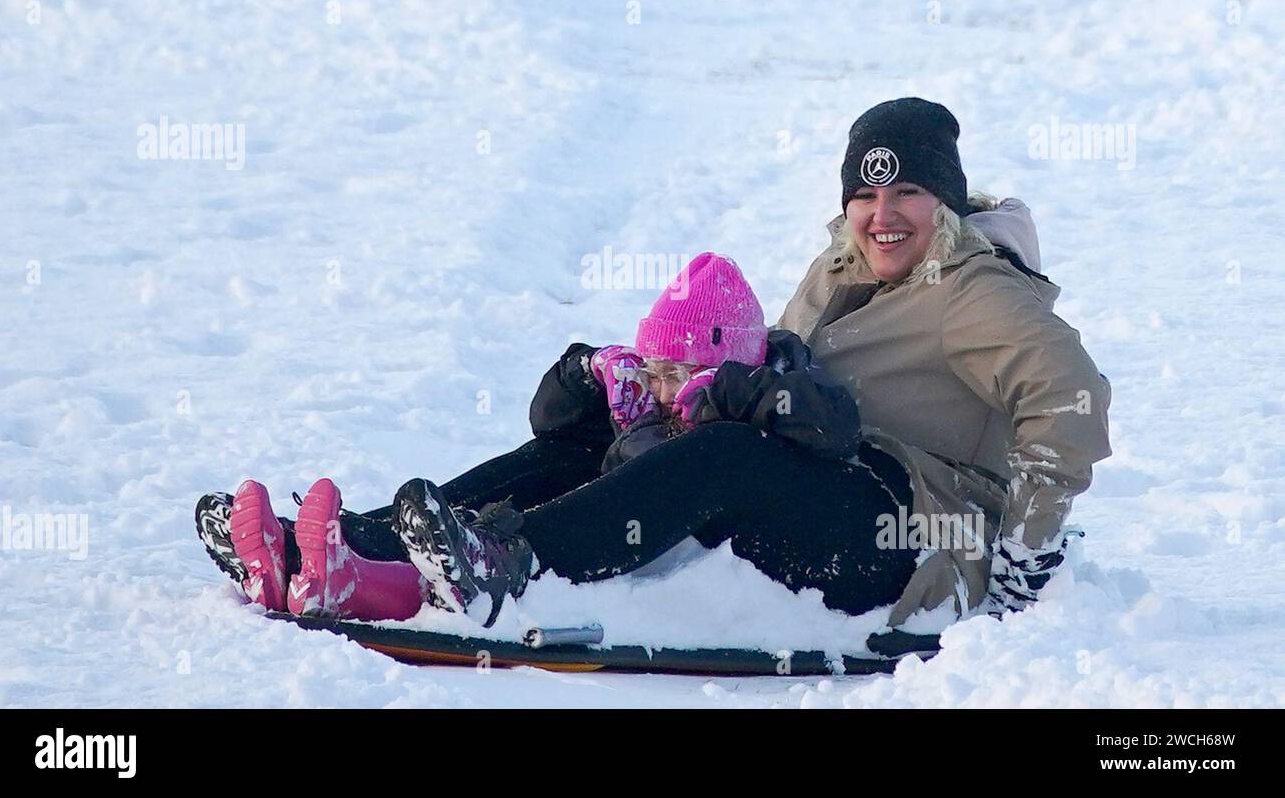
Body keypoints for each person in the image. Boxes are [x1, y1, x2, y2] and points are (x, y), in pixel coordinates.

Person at [392, 98, 1112, 629]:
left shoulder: (972, 289)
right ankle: (383, 543)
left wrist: (1026, 548)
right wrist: (662, 387)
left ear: (945, 205)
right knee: (599, 436)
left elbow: (1073, 396)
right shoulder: (842, 268)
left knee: (731, 454)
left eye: (907, 193)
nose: (882, 214)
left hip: (914, 536)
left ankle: (517, 570)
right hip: (830, 485)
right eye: (865, 194)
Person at [197, 253, 910, 624]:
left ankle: (509, 560)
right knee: (568, 453)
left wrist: (728, 395)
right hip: (699, 505)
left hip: (833, 554)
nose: (666, 390)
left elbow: (833, 429)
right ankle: (348, 545)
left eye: (683, 374)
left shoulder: (781, 385)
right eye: (657, 370)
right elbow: (549, 426)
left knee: (716, 448)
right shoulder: (656, 402)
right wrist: (590, 373)